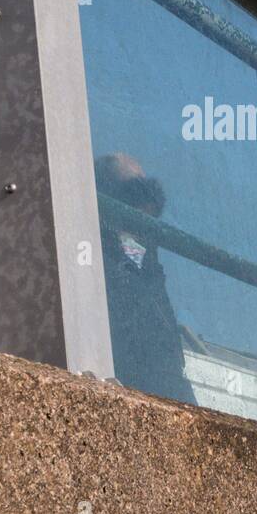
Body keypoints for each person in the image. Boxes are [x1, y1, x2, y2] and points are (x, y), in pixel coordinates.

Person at [95, 152, 195, 405]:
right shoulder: (95, 256)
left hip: (167, 388)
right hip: (125, 387)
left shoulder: (147, 260)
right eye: (132, 191)